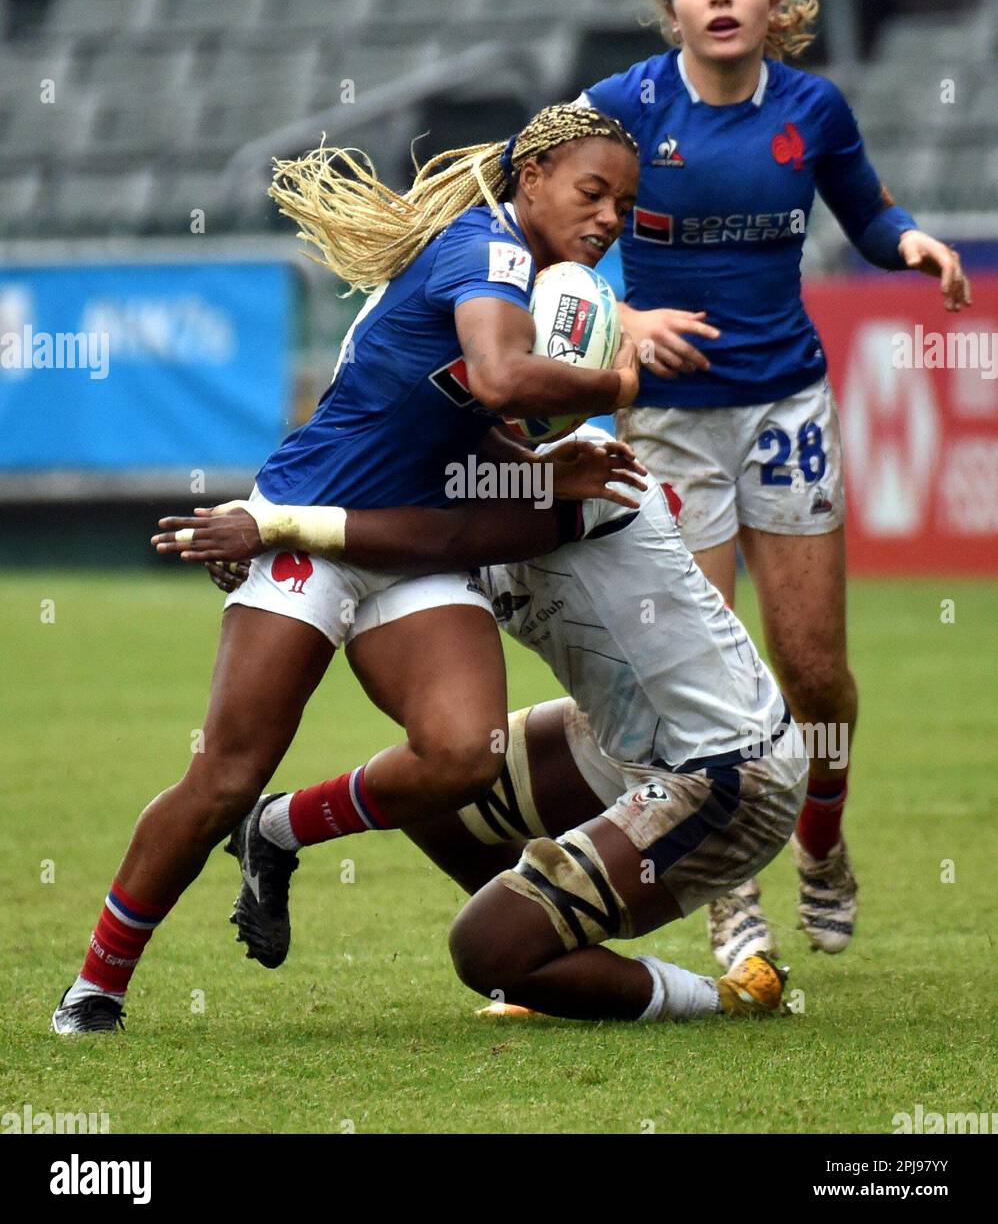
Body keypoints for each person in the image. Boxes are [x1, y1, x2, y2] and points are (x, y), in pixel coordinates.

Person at [51, 103, 645, 1034]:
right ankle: (96, 986)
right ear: (532, 180)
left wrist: (537, 468)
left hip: (402, 539)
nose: (609, 217)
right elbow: (496, 380)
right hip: (307, 529)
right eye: (593, 191)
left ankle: (278, 830)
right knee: (224, 774)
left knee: (463, 754)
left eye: (625, 203)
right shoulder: (487, 254)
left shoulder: (512, 265)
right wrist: (619, 384)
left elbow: (452, 413)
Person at [575, 0, 972, 966]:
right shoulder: (622, 108)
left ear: (771, 6)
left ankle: (823, 844)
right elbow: (538, 224)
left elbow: (867, 211)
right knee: (695, 681)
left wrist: (913, 243)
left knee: (813, 676)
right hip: (666, 421)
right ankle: (726, 897)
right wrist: (620, 323)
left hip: (784, 411)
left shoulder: (810, 107)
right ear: (670, 10)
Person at [157, 423, 809, 1023]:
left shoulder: (585, 467)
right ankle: (551, 964)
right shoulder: (460, 475)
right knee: (436, 787)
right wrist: (261, 541)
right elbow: (379, 542)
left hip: (728, 770)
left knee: (485, 949)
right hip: (617, 743)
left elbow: (423, 538)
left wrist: (277, 528)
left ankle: (719, 1001)